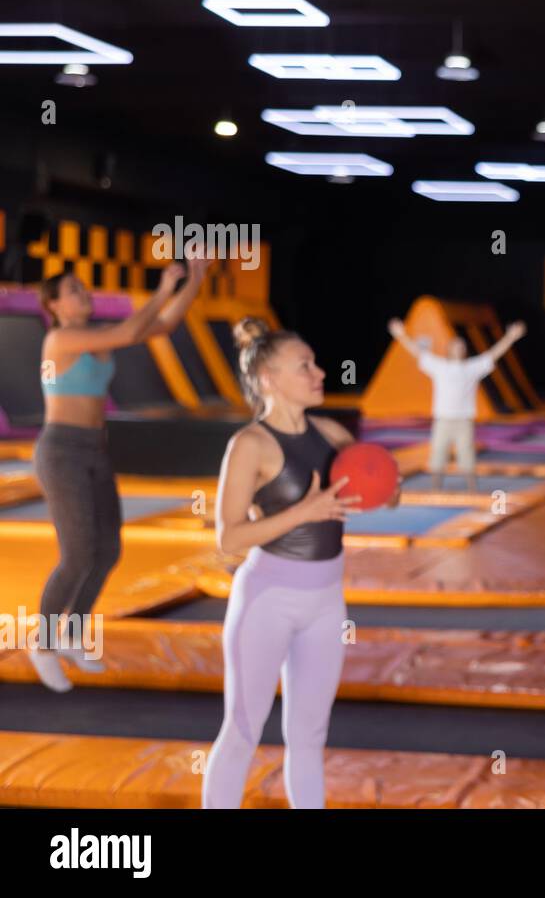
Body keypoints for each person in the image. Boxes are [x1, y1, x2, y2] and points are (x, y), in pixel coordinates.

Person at [203, 317, 397, 809]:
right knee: (243, 730)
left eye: (315, 363)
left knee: (309, 736)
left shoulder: (332, 432)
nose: (319, 372)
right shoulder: (249, 445)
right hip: (267, 599)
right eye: (305, 366)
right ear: (269, 379)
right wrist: (302, 513)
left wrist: (387, 489)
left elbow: (378, 491)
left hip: (326, 602)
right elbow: (228, 538)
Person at [29, 251, 209, 692]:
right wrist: (163, 287)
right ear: (54, 306)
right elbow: (132, 328)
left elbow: (162, 326)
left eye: (83, 288)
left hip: (95, 449)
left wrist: (196, 278)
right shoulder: (59, 341)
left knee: (107, 550)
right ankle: (43, 642)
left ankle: (72, 635)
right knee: (76, 555)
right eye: (74, 291)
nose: (83, 294)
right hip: (62, 451)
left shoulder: (95, 337)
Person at [386, 317, 526, 492]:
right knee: (438, 455)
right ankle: (435, 488)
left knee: (467, 456)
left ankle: (472, 488)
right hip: (443, 419)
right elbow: (417, 352)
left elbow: (493, 354)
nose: (460, 348)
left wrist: (510, 337)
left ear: (465, 350)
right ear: (450, 349)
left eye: (462, 346)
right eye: (456, 345)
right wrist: (401, 334)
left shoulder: (472, 367)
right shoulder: (439, 366)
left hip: (463, 420)